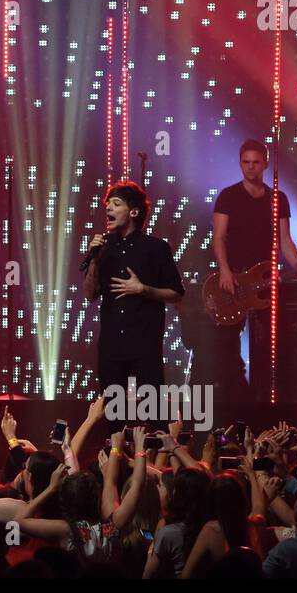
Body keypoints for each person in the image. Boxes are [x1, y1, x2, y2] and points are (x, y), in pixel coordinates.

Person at [209, 139, 297, 404]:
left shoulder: (278, 198)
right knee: (227, 341)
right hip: (235, 277)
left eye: (256, 162)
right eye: (246, 162)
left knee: (271, 341)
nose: (250, 168)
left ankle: (266, 397)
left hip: (265, 279)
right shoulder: (228, 195)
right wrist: (225, 271)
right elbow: (219, 237)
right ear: (240, 163)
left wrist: (296, 265)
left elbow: (286, 240)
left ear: (265, 164)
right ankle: (237, 396)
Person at [83, 180, 185, 427]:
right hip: (111, 344)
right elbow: (90, 293)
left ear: (134, 212)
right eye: (108, 204)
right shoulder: (104, 248)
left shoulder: (156, 248)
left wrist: (142, 289)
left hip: (144, 343)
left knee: (154, 415)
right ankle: (114, 460)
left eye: (116, 204)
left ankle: (156, 462)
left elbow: (176, 293)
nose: (108, 209)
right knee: (112, 417)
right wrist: (94, 259)